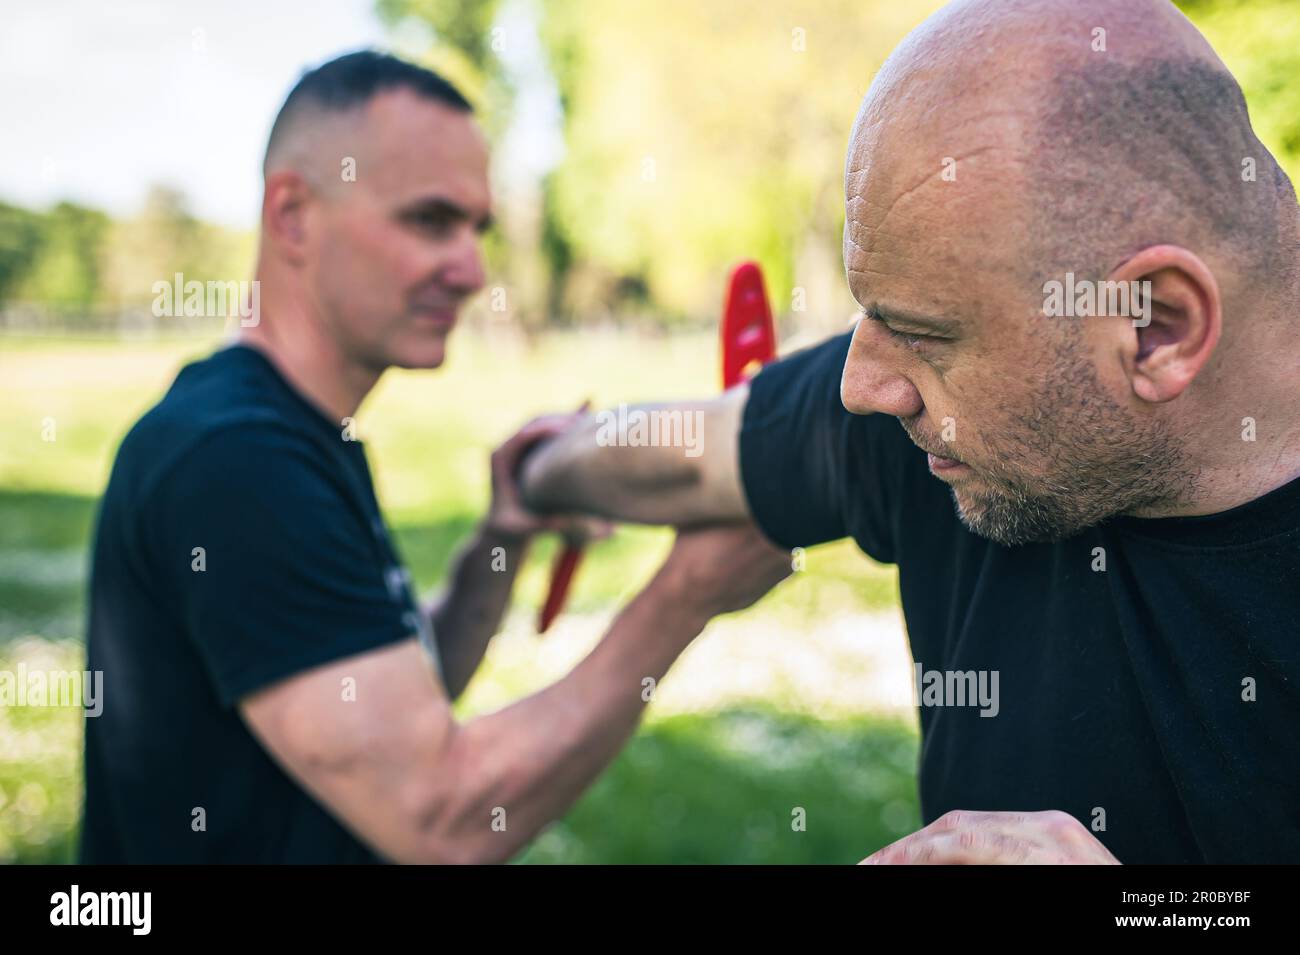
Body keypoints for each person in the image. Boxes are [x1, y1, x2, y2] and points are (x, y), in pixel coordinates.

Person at [522, 0, 1300, 864]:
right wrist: (542, 471)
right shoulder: (933, 422)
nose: (859, 390)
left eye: (924, 334)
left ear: (1155, 327)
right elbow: (689, 454)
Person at [81, 50, 791, 864]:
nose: (471, 269)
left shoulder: (288, 431)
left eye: (478, 227)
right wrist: (686, 594)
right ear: (292, 216)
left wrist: (502, 536)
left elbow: (388, 694)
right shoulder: (236, 460)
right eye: (429, 220)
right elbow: (440, 817)